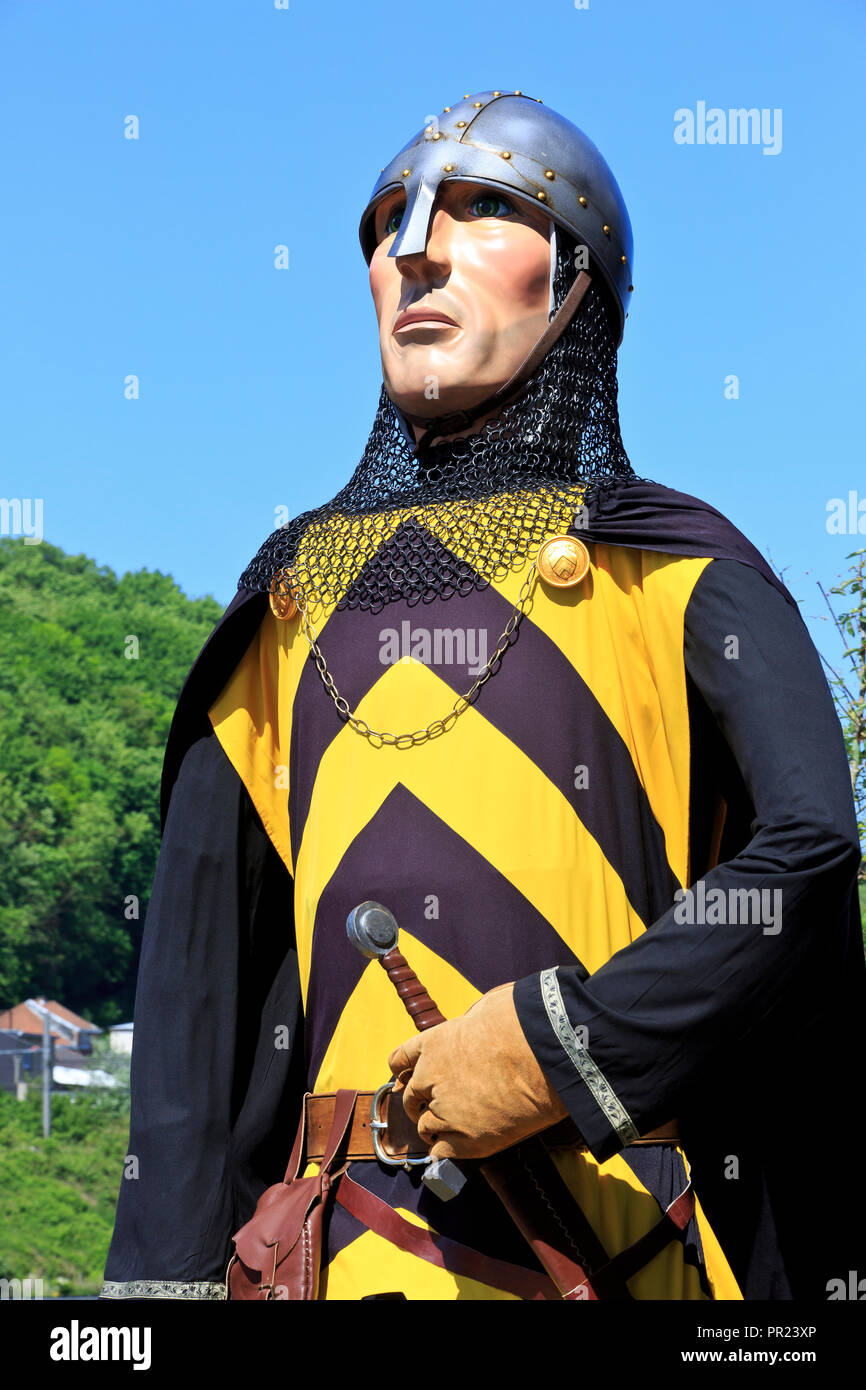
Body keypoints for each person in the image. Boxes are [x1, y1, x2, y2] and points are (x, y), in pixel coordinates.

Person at [102, 90, 864, 1302]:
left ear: (573, 283)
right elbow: (194, 993)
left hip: (616, 1245)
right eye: (389, 223)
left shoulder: (670, 568)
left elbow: (809, 851)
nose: (415, 248)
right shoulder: (285, 601)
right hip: (338, 1258)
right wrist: (157, 1297)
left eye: (484, 209)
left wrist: (559, 1047)